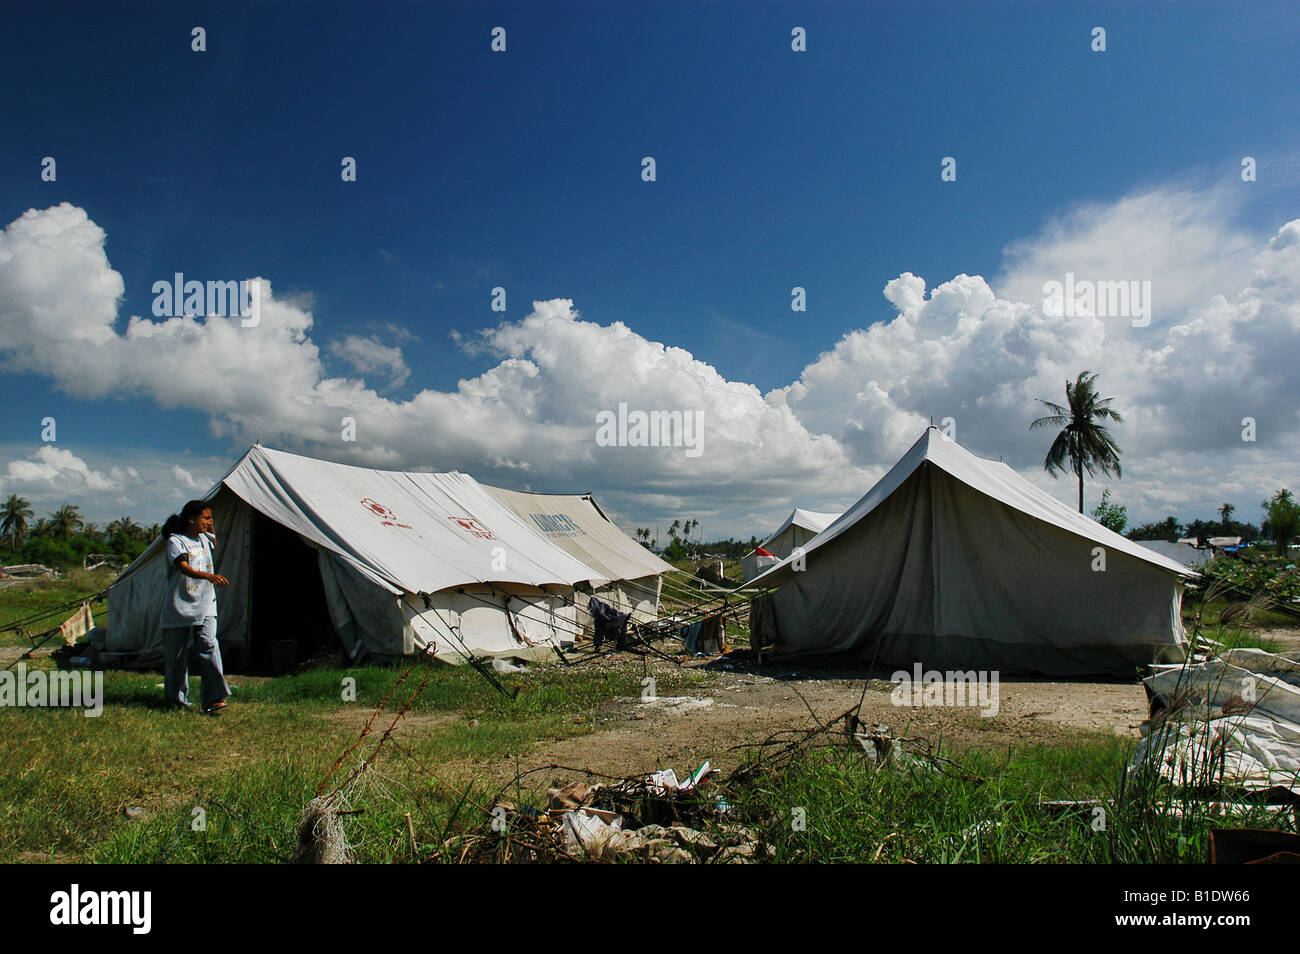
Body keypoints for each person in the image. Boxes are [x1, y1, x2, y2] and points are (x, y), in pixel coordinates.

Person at [160, 500, 231, 713]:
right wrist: (209, 576)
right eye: (206, 518)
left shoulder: (205, 539)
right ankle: (176, 700)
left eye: (211, 518)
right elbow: (182, 567)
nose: (210, 522)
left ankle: (214, 697)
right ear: (191, 519)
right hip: (180, 603)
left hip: (205, 602)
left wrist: (211, 526)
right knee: (176, 656)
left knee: (209, 645)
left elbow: (215, 541)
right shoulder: (176, 541)